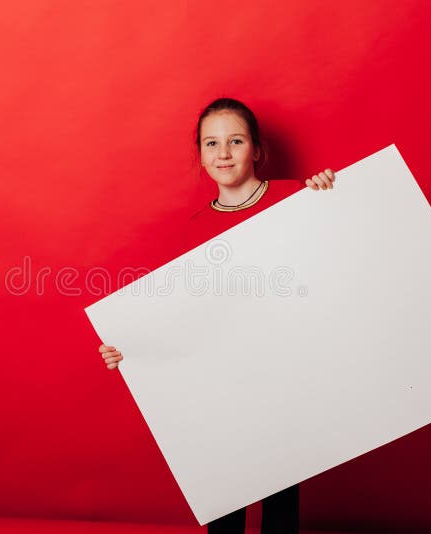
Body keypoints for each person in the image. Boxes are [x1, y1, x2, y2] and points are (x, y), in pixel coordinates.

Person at [97, 97, 336, 534]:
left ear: (257, 150)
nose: (223, 153)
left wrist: (331, 195)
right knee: (225, 490)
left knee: (280, 494)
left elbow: (336, 262)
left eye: (235, 141)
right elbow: (181, 319)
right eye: (212, 143)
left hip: (286, 375)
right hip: (222, 385)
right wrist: (127, 347)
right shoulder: (193, 229)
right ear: (201, 154)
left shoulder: (297, 197)